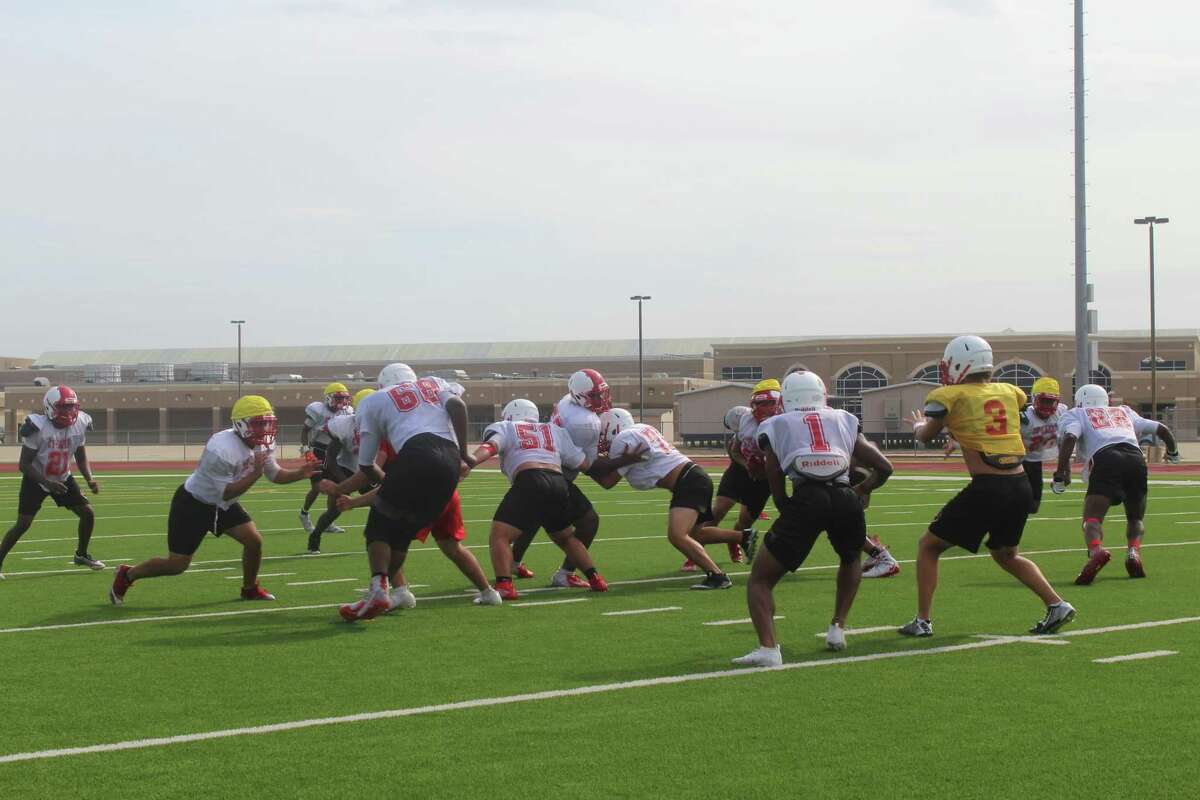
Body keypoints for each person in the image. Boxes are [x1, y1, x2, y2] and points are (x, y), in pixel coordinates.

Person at [904, 335, 1075, 637]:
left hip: (988, 487)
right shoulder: (1010, 391)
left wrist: (919, 426)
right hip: (1020, 485)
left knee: (928, 547)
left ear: (959, 363)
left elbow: (925, 436)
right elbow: (988, 422)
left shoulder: (950, 394)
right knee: (1006, 555)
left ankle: (922, 620)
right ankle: (1056, 604)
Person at [733, 371, 893, 666]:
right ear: (822, 395)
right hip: (844, 496)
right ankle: (837, 629)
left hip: (807, 497)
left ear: (787, 398)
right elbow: (884, 467)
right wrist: (859, 490)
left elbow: (775, 479)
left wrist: (789, 511)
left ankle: (768, 649)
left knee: (760, 579)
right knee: (850, 559)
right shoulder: (843, 418)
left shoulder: (775, 424)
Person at [109, 396, 319, 604]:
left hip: (223, 506)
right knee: (177, 565)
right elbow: (226, 492)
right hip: (194, 503)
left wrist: (301, 473)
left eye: (267, 422)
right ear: (241, 424)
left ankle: (249, 588)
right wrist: (254, 473)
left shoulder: (264, 443)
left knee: (254, 542)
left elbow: (275, 475)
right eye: (258, 423)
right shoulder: (221, 448)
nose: (264, 428)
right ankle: (128, 574)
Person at [322, 363, 478, 622]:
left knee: (379, 527)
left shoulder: (374, 401)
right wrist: (463, 452)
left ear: (382, 384)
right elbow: (457, 406)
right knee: (404, 529)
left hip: (416, 453)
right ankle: (391, 591)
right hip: (449, 463)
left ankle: (378, 589)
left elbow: (365, 465)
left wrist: (386, 486)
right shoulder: (433, 383)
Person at [594, 408, 755, 590]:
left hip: (688, 483)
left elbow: (608, 482)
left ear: (613, 427)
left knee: (677, 535)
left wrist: (581, 463)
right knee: (695, 534)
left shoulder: (625, 438)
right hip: (694, 477)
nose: (603, 439)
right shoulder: (641, 429)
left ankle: (717, 576)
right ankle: (744, 537)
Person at [471, 398, 611, 601]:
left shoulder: (506, 426)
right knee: (565, 537)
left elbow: (491, 446)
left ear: (510, 414)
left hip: (530, 479)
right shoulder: (555, 430)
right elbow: (583, 464)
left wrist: (471, 462)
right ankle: (596, 579)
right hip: (559, 482)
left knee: (500, 536)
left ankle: (504, 585)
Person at [1053, 383, 1181, 584]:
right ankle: (1133, 552)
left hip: (1106, 459)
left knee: (1092, 519)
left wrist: (1061, 473)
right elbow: (1162, 429)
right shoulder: (1123, 411)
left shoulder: (1077, 413)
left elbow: (1070, 437)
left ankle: (1096, 551)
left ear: (1080, 400)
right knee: (1135, 517)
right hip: (1136, 458)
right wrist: (1173, 452)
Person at [509, 369, 610, 588]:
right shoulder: (586, 422)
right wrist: (622, 459)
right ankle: (566, 572)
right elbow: (590, 466)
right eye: (594, 396)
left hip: (541, 467)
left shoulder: (568, 402)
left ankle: (513, 562)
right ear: (580, 395)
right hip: (556, 473)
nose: (601, 400)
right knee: (588, 521)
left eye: (600, 394)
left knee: (534, 517)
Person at [0, 386, 103, 580]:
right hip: (36, 479)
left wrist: (90, 478)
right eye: (63, 407)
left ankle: (81, 555)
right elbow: (24, 464)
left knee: (87, 514)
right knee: (22, 524)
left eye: (71, 407)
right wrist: (47, 482)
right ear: (50, 407)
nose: (68, 412)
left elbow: (80, 456)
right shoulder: (37, 427)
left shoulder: (80, 422)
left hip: (62, 477)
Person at [306, 388, 375, 554]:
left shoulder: (387, 425)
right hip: (345, 467)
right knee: (336, 509)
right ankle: (315, 536)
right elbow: (330, 457)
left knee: (381, 503)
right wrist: (343, 481)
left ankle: (377, 539)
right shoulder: (344, 425)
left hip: (372, 469)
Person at [298, 382, 353, 535]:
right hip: (319, 450)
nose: (342, 403)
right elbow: (305, 431)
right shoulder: (318, 410)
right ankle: (304, 513)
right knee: (317, 487)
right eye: (338, 399)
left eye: (344, 399)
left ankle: (328, 521)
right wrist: (307, 450)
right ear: (328, 398)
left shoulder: (346, 411)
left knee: (333, 487)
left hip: (335, 453)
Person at [1019, 377, 1068, 514]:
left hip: (1036, 460)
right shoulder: (1024, 418)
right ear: (1034, 399)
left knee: (1034, 507)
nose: (1047, 405)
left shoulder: (1061, 412)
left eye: (1051, 401)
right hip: (1021, 462)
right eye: (1044, 400)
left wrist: (1064, 472)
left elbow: (1066, 442)